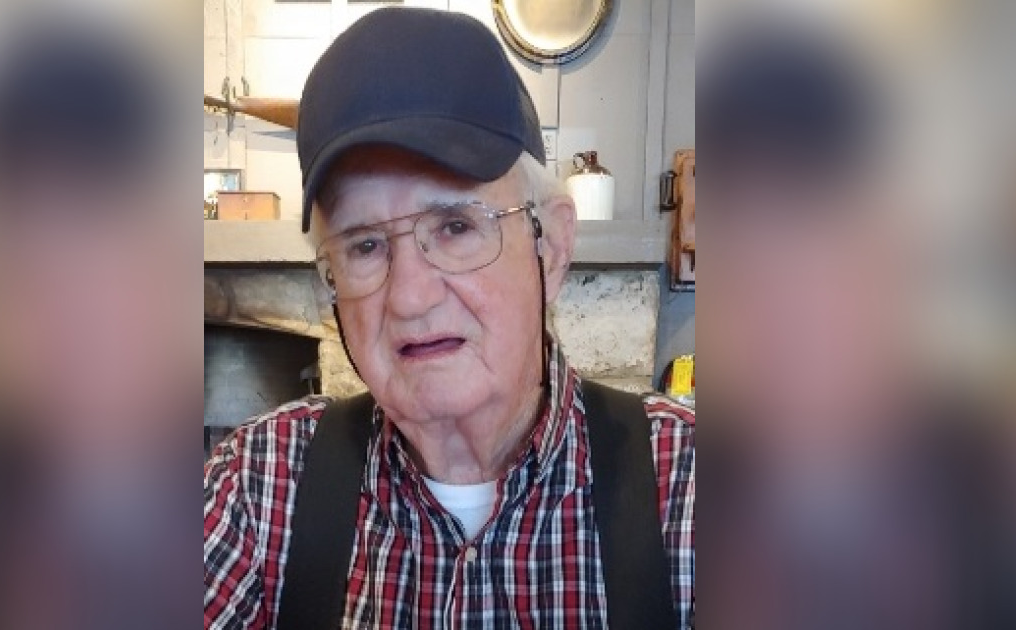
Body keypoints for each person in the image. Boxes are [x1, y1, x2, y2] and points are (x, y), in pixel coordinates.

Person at [204, 8, 695, 629]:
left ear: (551, 247)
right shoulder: (259, 486)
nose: (409, 297)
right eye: (364, 245)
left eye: (456, 226)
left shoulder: (698, 490)